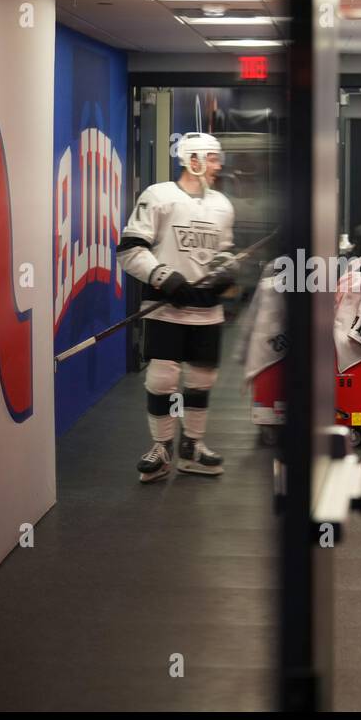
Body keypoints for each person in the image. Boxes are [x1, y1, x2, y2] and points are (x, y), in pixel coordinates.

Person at [116, 132, 236, 483]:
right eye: (212, 158)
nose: (218, 165)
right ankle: (162, 446)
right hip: (166, 309)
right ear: (193, 160)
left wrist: (226, 268)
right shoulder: (158, 197)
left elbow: (224, 250)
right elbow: (130, 250)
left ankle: (192, 448)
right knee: (162, 379)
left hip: (207, 311)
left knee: (201, 379)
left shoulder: (222, 205)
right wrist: (162, 275)